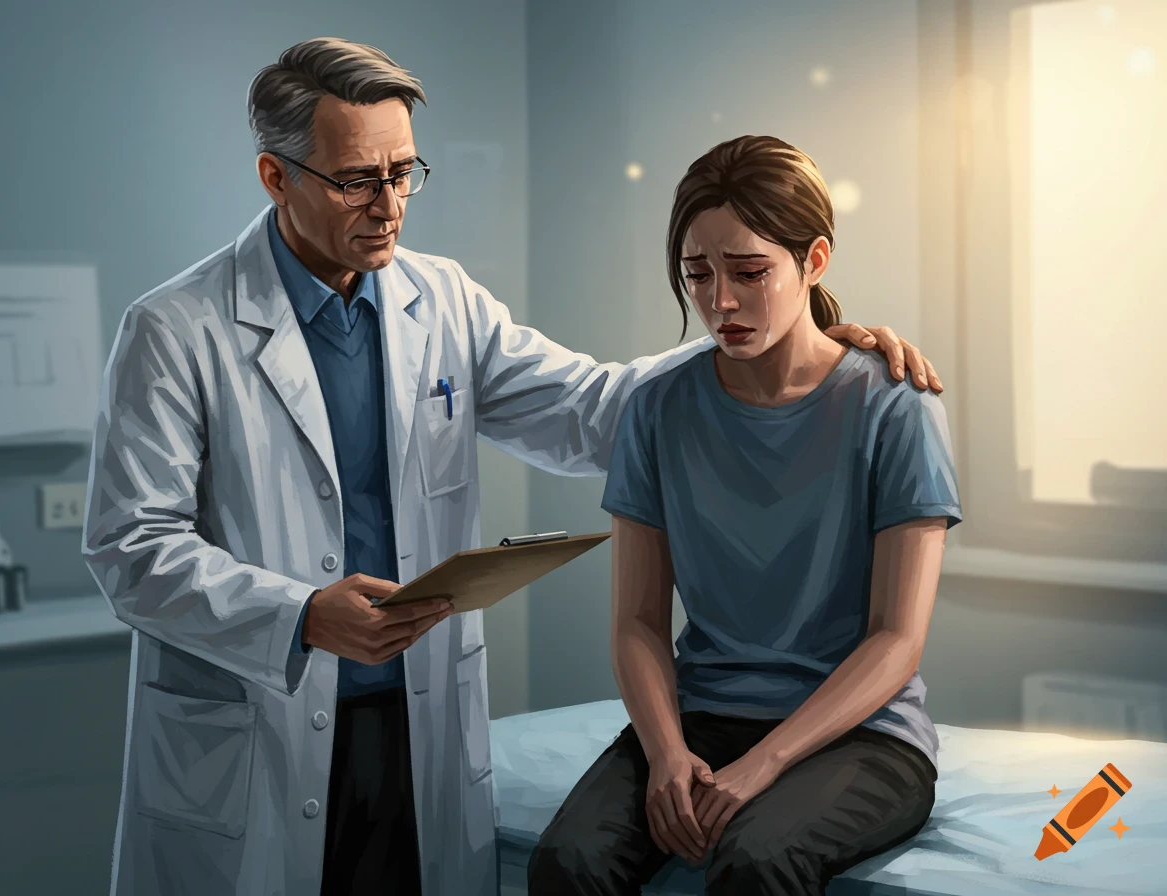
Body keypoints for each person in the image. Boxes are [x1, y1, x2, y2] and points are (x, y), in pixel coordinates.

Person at [82, 38, 943, 896]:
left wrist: (809, 349)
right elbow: (131, 548)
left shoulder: (442, 301)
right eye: (357, 180)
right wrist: (303, 616)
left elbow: (591, 410)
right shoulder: (175, 331)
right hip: (262, 710)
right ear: (277, 178)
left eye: (405, 172)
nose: (389, 205)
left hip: (414, 714)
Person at [527, 135, 961, 896]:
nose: (719, 301)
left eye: (750, 271)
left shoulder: (896, 407)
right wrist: (665, 753)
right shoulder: (658, 411)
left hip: (861, 735)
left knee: (758, 862)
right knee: (569, 864)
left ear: (814, 260)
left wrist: (763, 765)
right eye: (697, 274)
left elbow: (897, 640)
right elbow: (636, 621)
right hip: (701, 717)